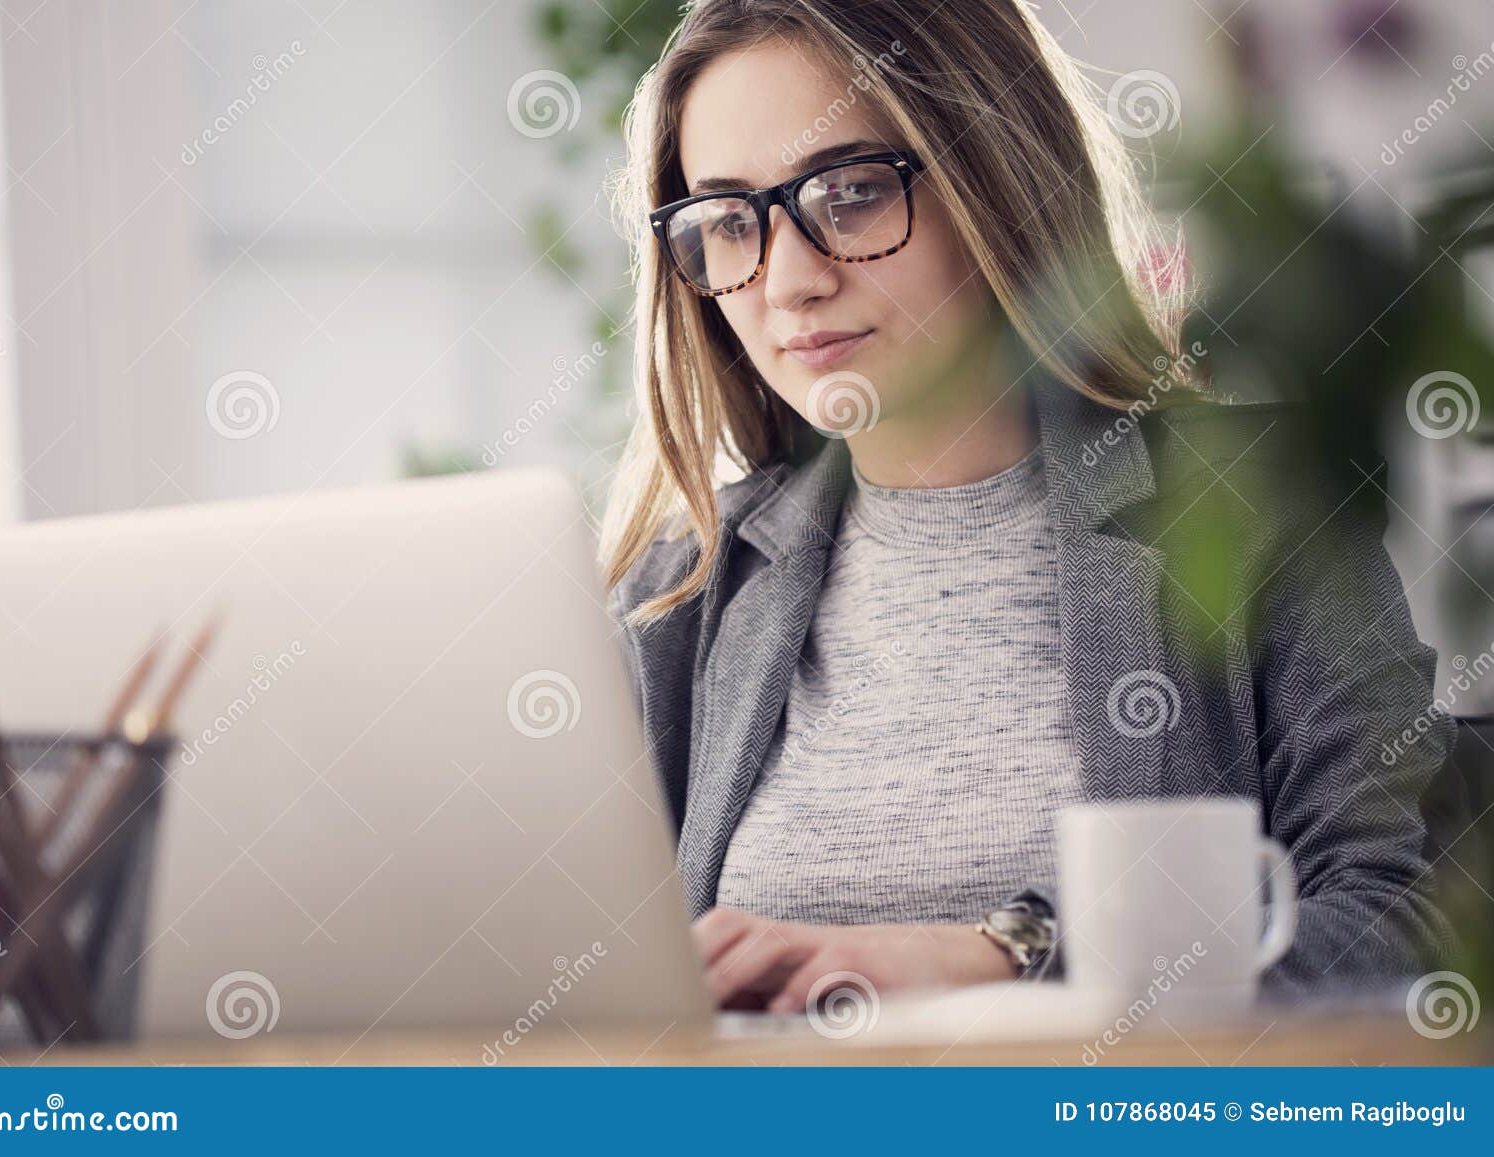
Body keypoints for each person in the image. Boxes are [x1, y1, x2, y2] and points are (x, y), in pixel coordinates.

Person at [599, 0, 1453, 1013]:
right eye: (729, 221)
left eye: (854, 192)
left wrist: (1008, 950)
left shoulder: (1258, 503)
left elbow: (1403, 915)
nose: (787, 280)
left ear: (996, 180)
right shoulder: (685, 586)